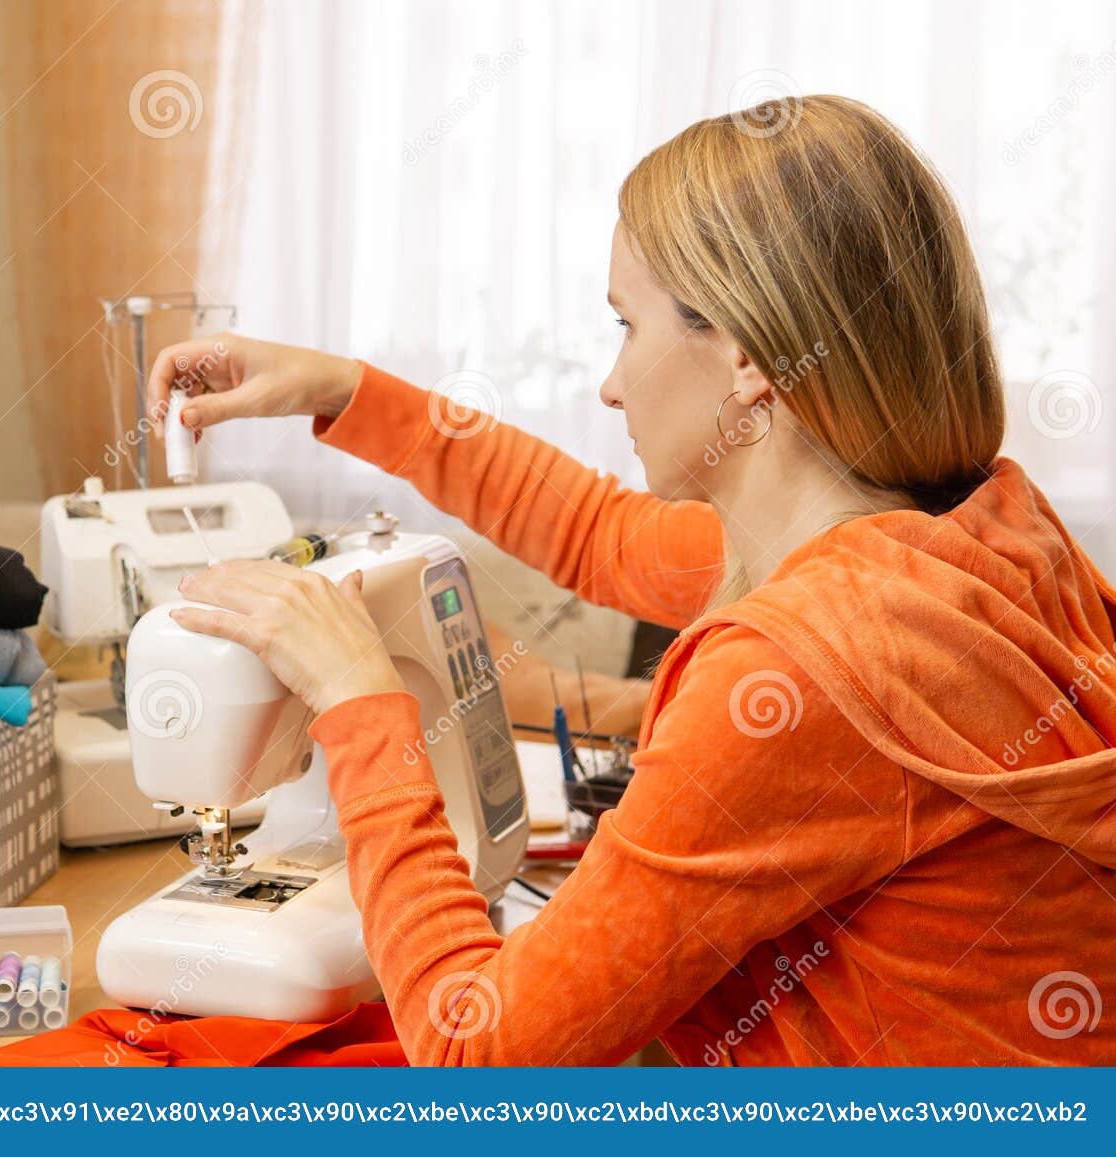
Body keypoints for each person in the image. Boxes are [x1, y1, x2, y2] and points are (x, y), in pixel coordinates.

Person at [145, 95, 1116, 1065]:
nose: (609, 383)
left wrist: (361, 703)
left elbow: (478, 1056)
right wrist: (346, 390)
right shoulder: (978, 543)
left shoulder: (806, 659)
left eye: (625, 325)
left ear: (743, 355)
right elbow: (599, 534)